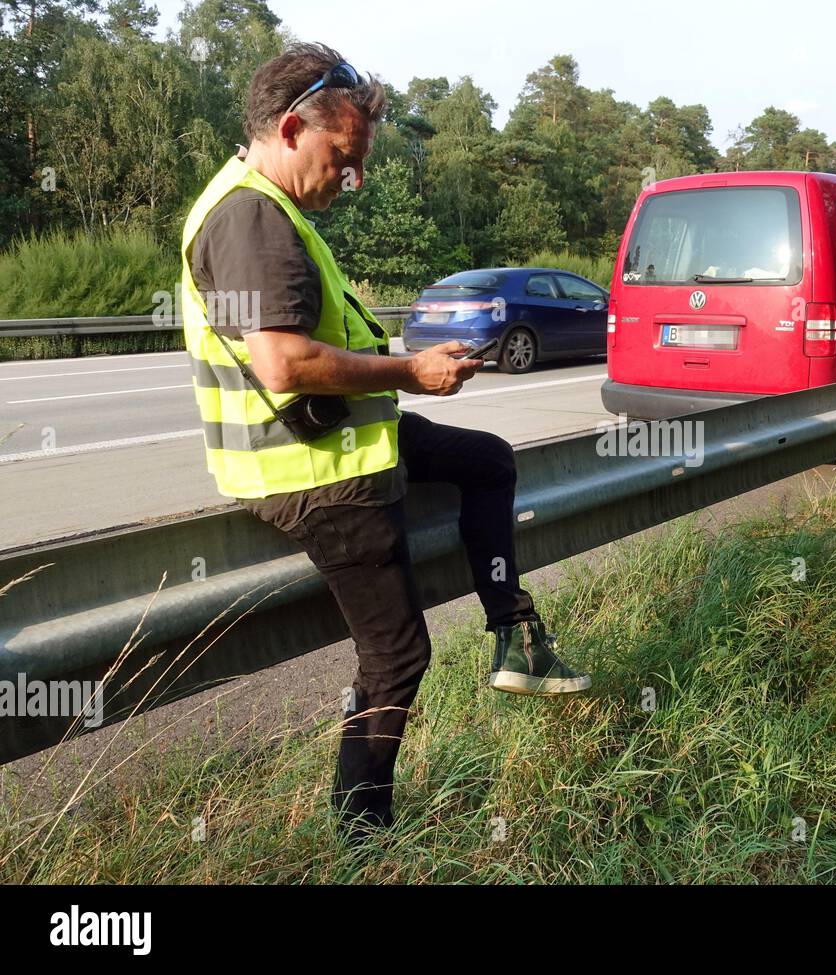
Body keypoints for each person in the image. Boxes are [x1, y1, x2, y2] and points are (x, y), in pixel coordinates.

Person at [178, 42, 589, 837]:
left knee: (487, 461)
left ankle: (515, 635)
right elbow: (285, 361)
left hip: (349, 443)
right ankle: (361, 833)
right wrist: (411, 372)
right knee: (398, 656)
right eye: (343, 157)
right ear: (293, 127)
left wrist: (413, 372)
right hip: (317, 476)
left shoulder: (268, 203)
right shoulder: (252, 216)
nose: (351, 178)